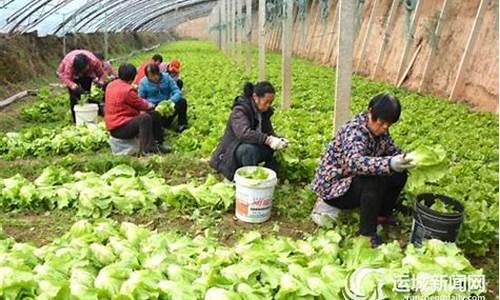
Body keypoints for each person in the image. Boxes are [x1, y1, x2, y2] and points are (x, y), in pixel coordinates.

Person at [310, 93, 413, 247]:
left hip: (352, 182)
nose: (385, 128)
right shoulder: (354, 131)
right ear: (370, 112)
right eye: (382, 122)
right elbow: (354, 163)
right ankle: (366, 234)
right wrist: (389, 163)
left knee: (399, 174)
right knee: (372, 179)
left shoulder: (381, 131)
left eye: (389, 125)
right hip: (335, 188)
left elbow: (392, 149)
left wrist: (405, 159)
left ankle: (381, 215)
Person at [210, 81, 288, 181]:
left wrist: (278, 140)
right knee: (249, 150)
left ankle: (271, 177)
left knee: (275, 146)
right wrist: (268, 140)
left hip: (252, 145)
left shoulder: (264, 112)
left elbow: (268, 132)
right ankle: (250, 179)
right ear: (255, 97)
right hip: (233, 151)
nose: (268, 105)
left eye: (271, 103)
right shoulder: (240, 110)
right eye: (266, 102)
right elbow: (244, 134)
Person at [104, 63, 171, 155]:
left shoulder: (111, 85)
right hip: (120, 128)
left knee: (154, 115)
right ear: (132, 77)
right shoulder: (128, 90)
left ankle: (158, 143)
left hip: (115, 126)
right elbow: (141, 104)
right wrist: (151, 105)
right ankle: (148, 149)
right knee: (145, 118)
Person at [57, 49, 105, 123]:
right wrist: (73, 86)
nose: (81, 73)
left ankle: (90, 114)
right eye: (80, 71)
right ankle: (76, 120)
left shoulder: (94, 62)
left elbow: (101, 74)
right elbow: (64, 77)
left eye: (83, 70)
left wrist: (100, 82)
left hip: (88, 74)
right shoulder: (69, 64)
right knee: (74, 97)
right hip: (72, 75)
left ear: (88, 64)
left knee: (86, 93)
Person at [138, 64, 188, 132]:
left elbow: (177, 91)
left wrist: (171, 101)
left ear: (159, 72)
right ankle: (160, 127)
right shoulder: (143, 83)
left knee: (182, 101)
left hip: (168, 106)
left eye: (156, 74)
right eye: (152, 76)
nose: (155, 77)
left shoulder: (167, 77)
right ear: (147, 76)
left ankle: (182, 125)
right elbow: (140, 99)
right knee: (152, 115)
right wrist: (149, 104)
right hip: (154, 109)